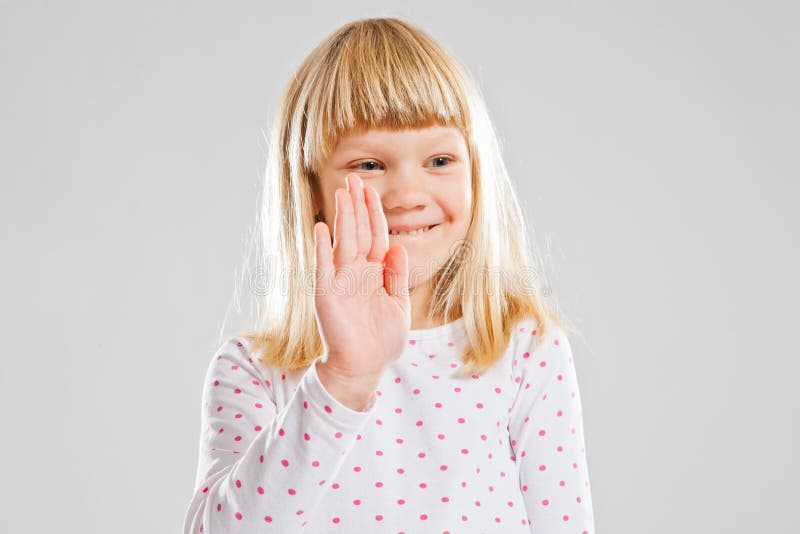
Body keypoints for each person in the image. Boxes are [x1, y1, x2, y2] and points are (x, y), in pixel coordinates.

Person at [183, 17, 596, 534]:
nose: (407, 193)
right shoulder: (254, 371)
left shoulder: (524, 350)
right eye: (369, 166)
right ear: (311, 189)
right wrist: (343, 379)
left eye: (440, 159)